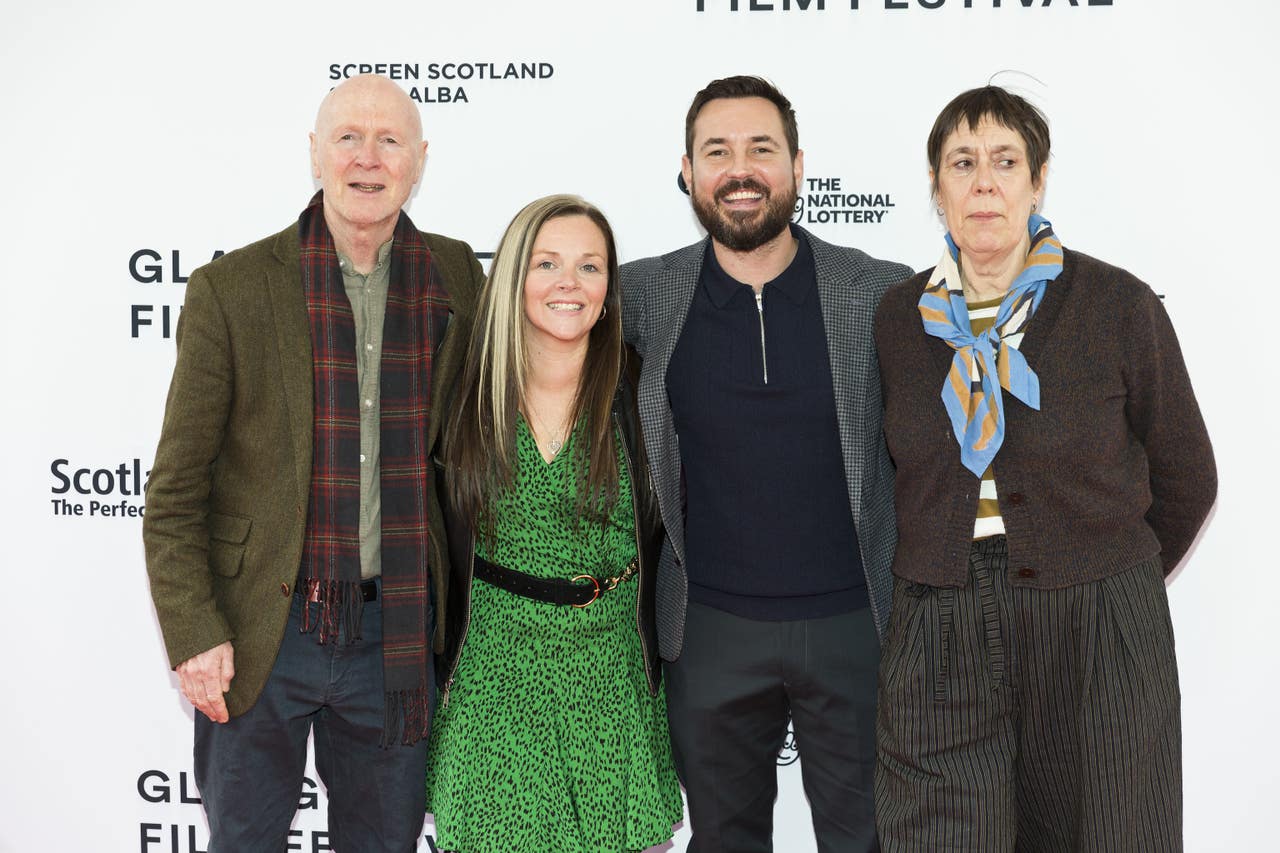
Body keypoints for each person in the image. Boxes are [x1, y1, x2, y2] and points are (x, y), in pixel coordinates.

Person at [143, 74, 484, 851]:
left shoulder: (458, 276)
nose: (369, 158)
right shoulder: (232, 290)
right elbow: (174, 493)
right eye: (348, 138)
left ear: (419, 159)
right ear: (314, 154)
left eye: (390, 140)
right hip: (262, 630)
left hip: (394, 634)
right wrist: (195, 630)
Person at [873, 85, 1216, 851]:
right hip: (941, 624)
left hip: (1095, 621)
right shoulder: (898, 319)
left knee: (1111, 830)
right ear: (937, 188)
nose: (984, 182)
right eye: (962, 163)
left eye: (1005, 160)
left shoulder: (1116, 303)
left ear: (1038, 179)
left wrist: (1104, 569)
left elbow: (1188, 473)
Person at [621, 75, 912, 851]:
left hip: (857, 628)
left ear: (797, 165)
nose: (740, 170)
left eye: (761, 149)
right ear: (687, 170)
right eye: (717, 151)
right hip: (709, 632)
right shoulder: (639, 293)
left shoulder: (880, 292)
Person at [425, 194, 683, 853]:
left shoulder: (644, 389)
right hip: (493, 677)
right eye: (548, 263)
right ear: (515, 276)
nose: (569, 283)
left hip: (610, 674)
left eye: (589, 267)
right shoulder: (462, 390)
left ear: (608, 288)